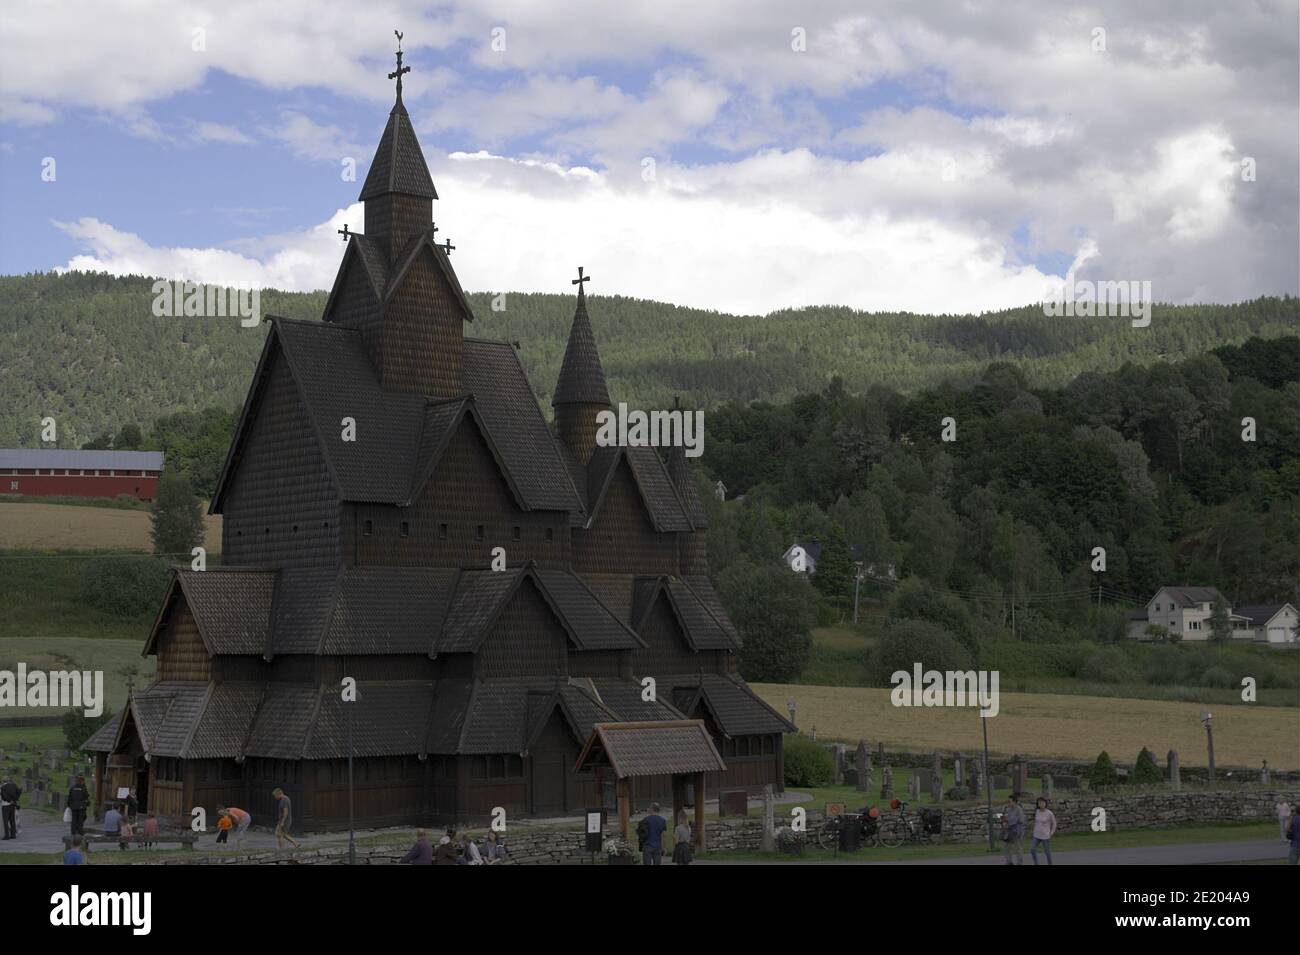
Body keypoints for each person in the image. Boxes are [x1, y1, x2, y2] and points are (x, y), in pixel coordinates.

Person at [1030, 797, 1056, 865]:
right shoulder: (1037, 811)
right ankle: (1036, 863)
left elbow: (1054, 824)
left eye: (1042, 802)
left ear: (1045, 803)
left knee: (1047, 853)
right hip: (1036, 835)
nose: (1041, 804)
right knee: (1032, 849)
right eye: (1039, 803)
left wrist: (1051, 833)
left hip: (1045, 836)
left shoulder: (1049, 813)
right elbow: (1036, 822)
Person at [1002, 793, 1025, 866]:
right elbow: (1006, 819)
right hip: (1009, 831)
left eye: (1010, 801)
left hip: (1017, 831)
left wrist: (1010, 820)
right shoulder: (1008, 809)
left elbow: (1021, 820)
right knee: (1006, 847)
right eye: (1008, 801)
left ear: (1014, 802)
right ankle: (1009, 862)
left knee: (1018, 848)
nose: (1008, 803)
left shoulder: (1019, 809)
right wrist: (1005, 821)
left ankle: (1019, 862)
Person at [0, 776, 19, 840]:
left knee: (5, 821)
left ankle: (7, 836)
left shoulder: (2, 787)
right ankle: (13, 835)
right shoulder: (14, 786)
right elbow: (18, 792)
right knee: (12, 820)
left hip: (5, 805)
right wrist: (14, 800)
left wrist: (9, 801)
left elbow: (4, 796)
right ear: (9, 780)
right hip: (13, 805)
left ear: (3, 781)